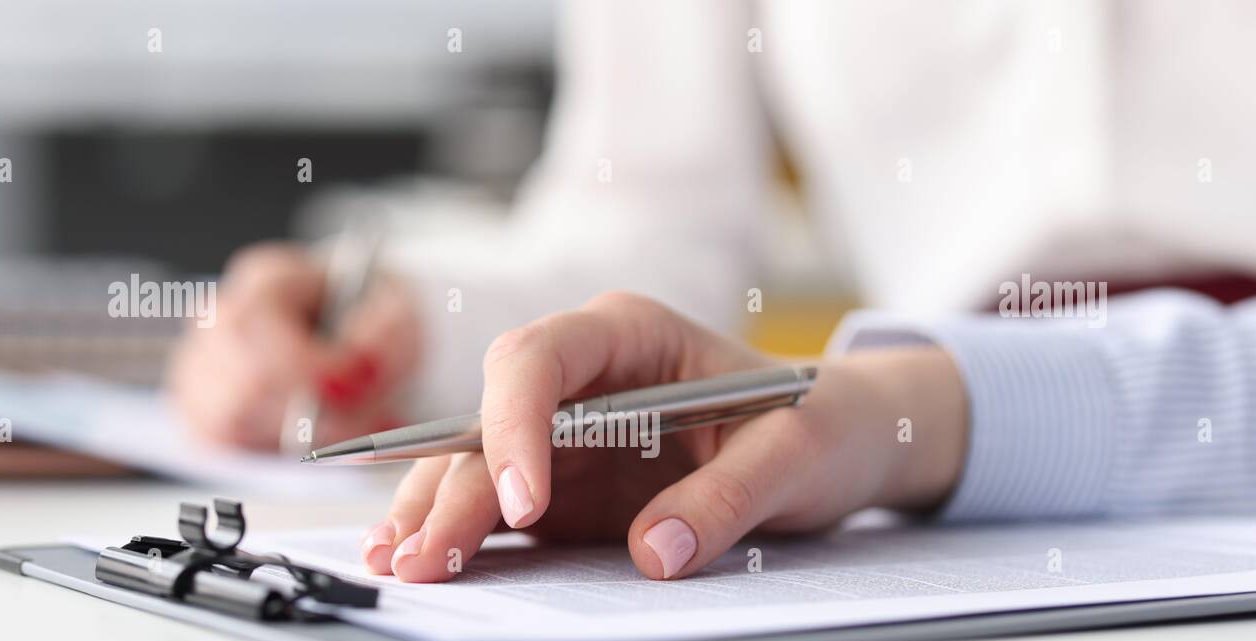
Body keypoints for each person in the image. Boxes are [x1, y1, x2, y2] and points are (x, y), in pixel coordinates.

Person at [170, 0, 1256, 583]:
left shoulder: (904, 412)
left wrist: (922, 409)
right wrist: (392, 332)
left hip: (925, 439)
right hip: (943, 505)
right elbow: (655, 231)